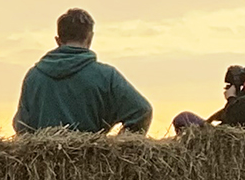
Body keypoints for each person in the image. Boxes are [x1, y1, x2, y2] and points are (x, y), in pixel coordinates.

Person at [13, 10, 151, 136]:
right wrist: (121, 147)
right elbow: (142, 110)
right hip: (93, 155)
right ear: (90, 38)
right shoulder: (107, 76)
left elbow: (21, 125)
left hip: (43, 156)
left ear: (58, 40)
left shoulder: (34, 76)